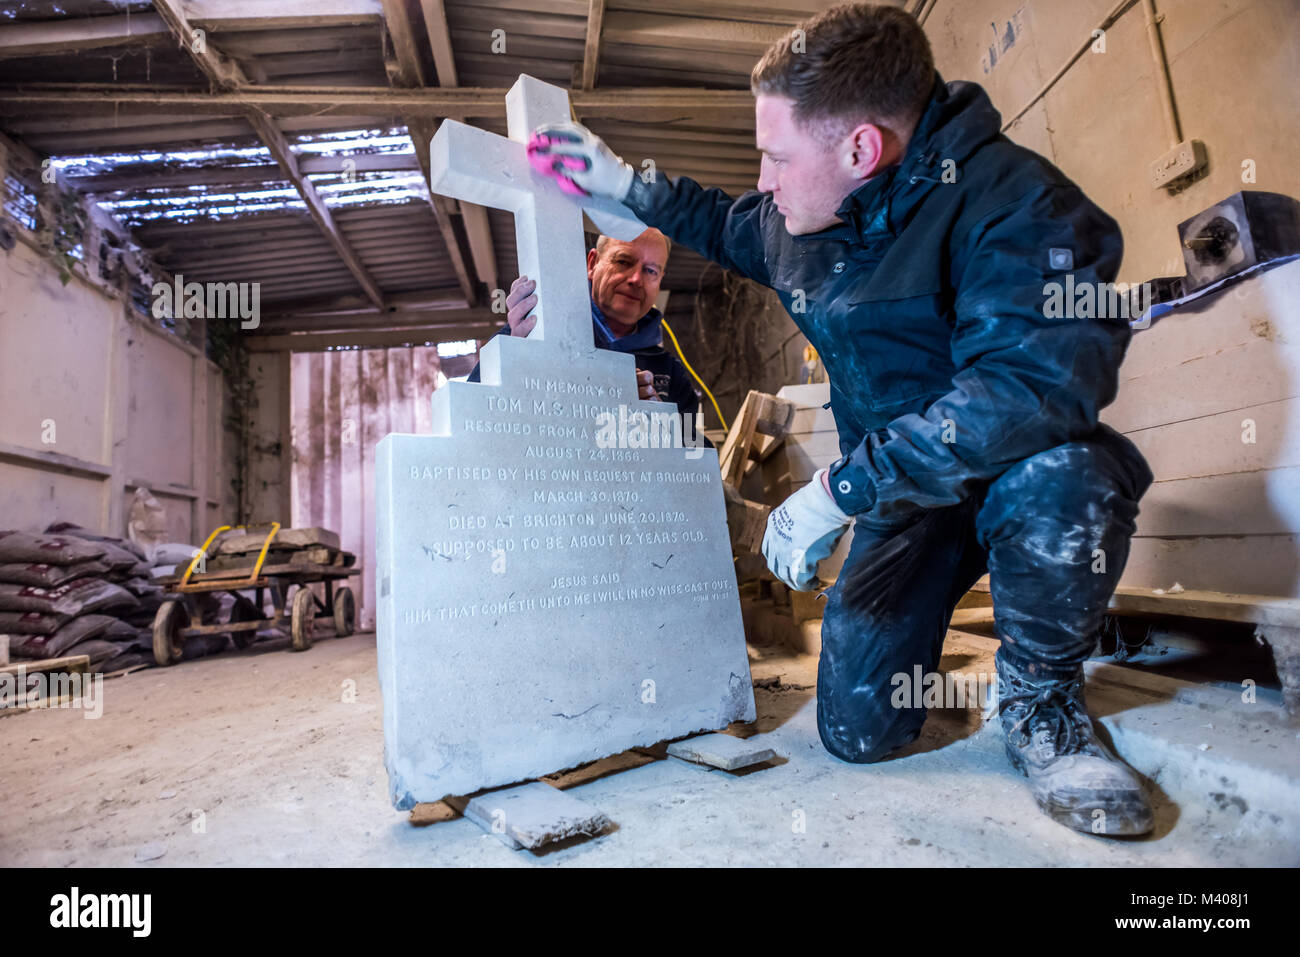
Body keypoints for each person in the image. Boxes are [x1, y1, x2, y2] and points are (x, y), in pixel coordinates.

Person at [525, 3, 1156, 835]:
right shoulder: (799, 222)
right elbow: (720, 220)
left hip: (1010, 473)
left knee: (1064, 473)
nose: (763, 178)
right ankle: (970, 604)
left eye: (776, 155)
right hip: (906, 503)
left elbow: (1027, 391)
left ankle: (1042, 701)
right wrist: (626, 188)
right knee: (858, 728)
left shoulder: (1021, 208)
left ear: (860, 148)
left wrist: (838, 490)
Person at [468, 228, 705, 441]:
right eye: (623, 261)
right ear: (592, 263)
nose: (636, 280)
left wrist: (659, 423)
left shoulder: (669, 372)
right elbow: (472, 416)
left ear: (660, 280)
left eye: (650, 270)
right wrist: (514, 354)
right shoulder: (529, 333)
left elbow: (698, 458)